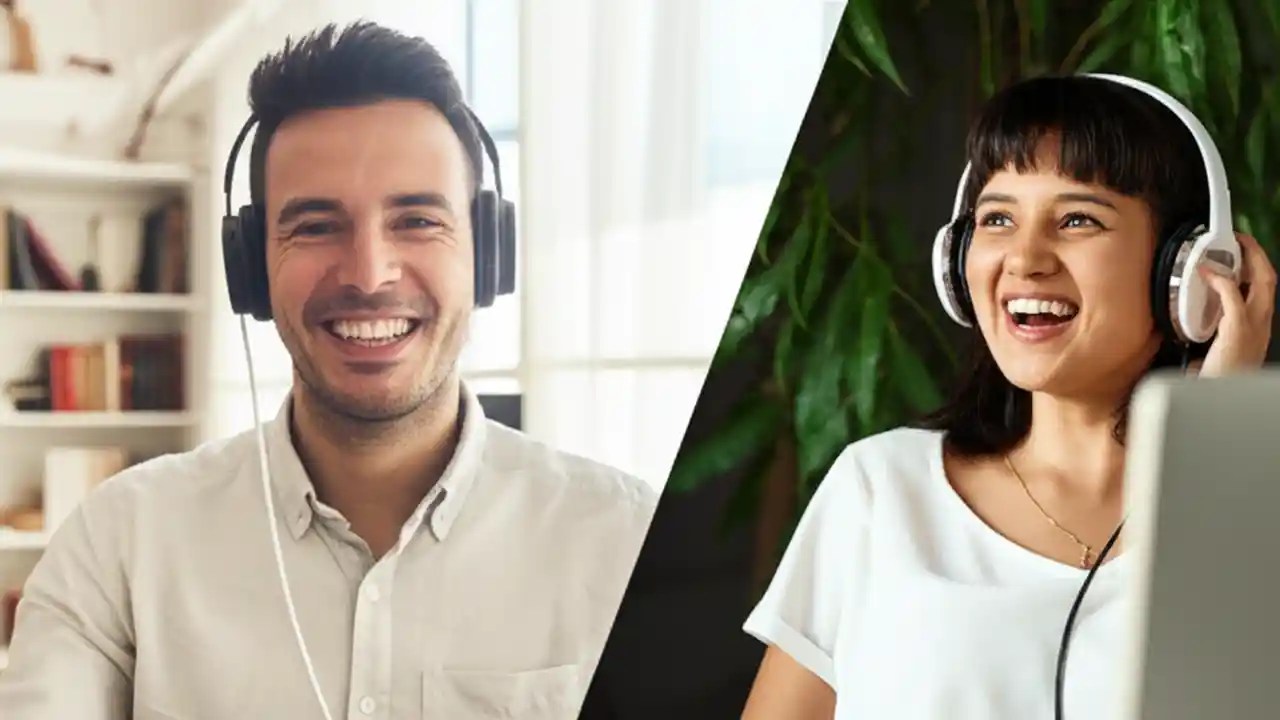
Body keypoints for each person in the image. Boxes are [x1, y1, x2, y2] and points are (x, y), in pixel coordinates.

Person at [0, 22, 656, 719]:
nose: (370, 274)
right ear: (250, 266)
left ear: (487, 255)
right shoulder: (121, 543)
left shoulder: (628, 543)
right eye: (315, 226)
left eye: (418, 220)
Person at [739, 74, 1276, 719]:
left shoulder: (1252, 518)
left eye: (1078, 219)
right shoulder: (880, 489)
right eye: (997, 218)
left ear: (1184, 272)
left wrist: (1211, 445)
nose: (1024, 259)